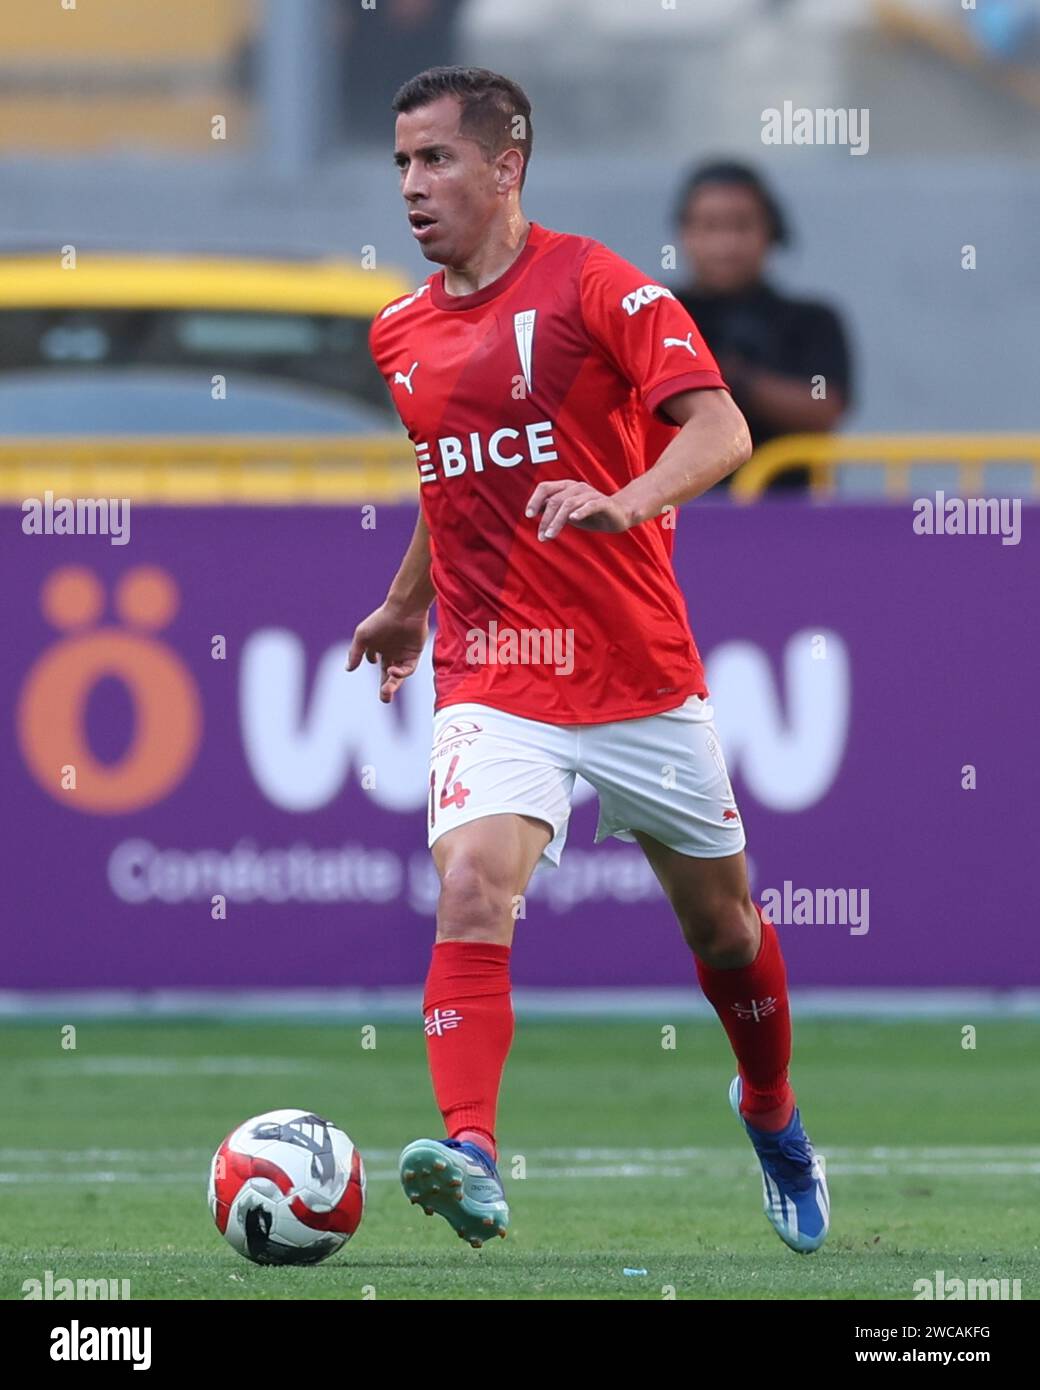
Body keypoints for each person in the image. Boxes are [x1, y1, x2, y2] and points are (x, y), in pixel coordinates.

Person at [347, 67, 829, 1254]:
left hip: (635, 675)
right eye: (401, 162)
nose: (412, 185)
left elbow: (723, 430)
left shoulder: (596, 284)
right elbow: (448, 484)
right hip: (494, 664)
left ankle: (767, 1106)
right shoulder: (398, 332)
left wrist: (627, 499)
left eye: (436, 160)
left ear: (505, 167)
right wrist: (406, 606)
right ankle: (470, 1152)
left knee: (722, 930)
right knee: (471, 886)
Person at [673, 160, 853, 492]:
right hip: (678, 515)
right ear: (685, 234)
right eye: (710, 226)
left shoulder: (813, 320)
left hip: (787, 513)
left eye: (741, 226)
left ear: (771, 232)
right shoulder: (657, 311)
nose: (725, 244)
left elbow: (824, 408)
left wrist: (727, 380)